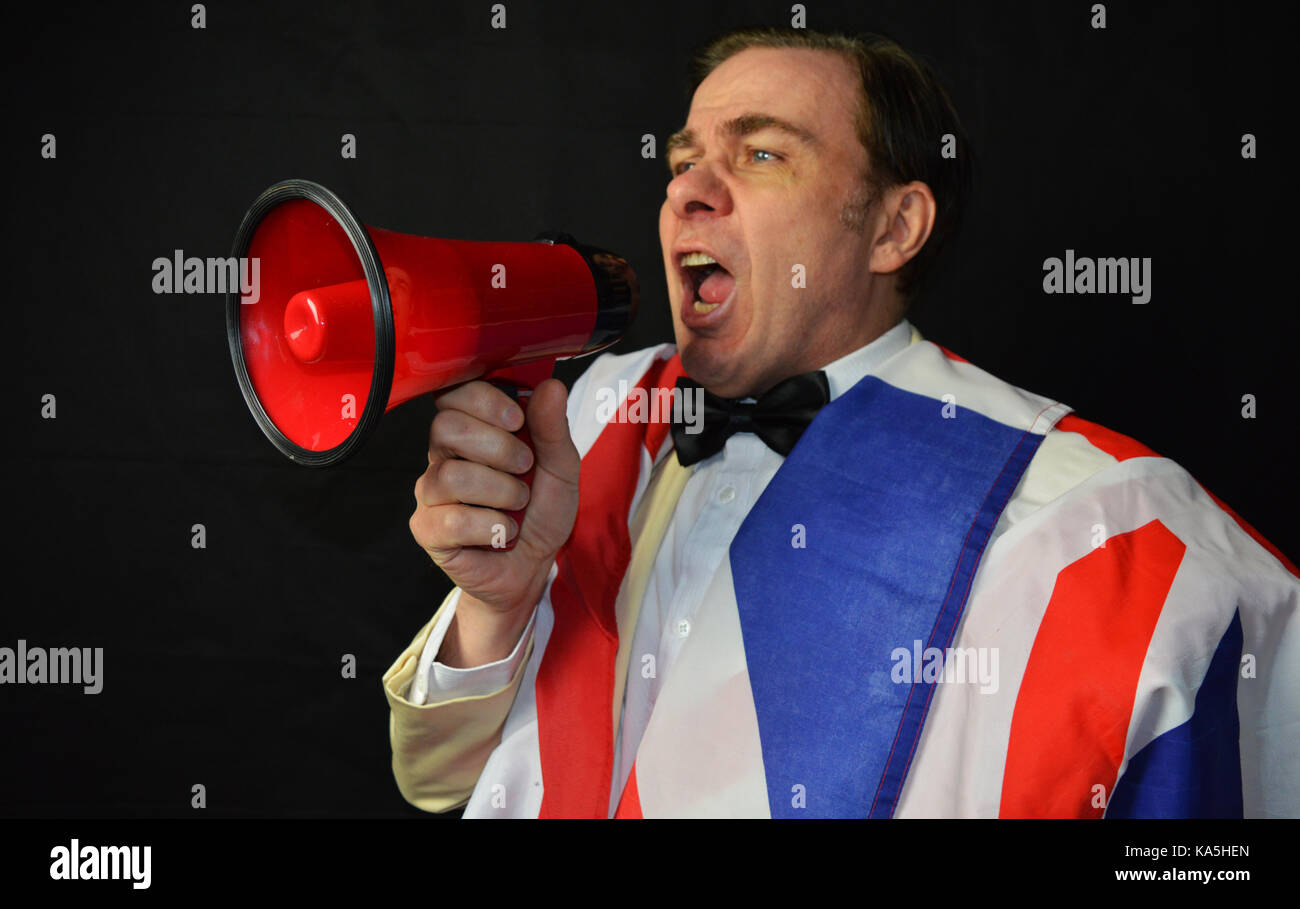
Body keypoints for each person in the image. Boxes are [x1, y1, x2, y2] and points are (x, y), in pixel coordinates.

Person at [384, 27, 1299, 818]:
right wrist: (497, 605)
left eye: (761, 155)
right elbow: (437, 777)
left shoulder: (1090, 521)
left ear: (895, 228)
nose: (689, 191)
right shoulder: (594, 409)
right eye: (683, 161)